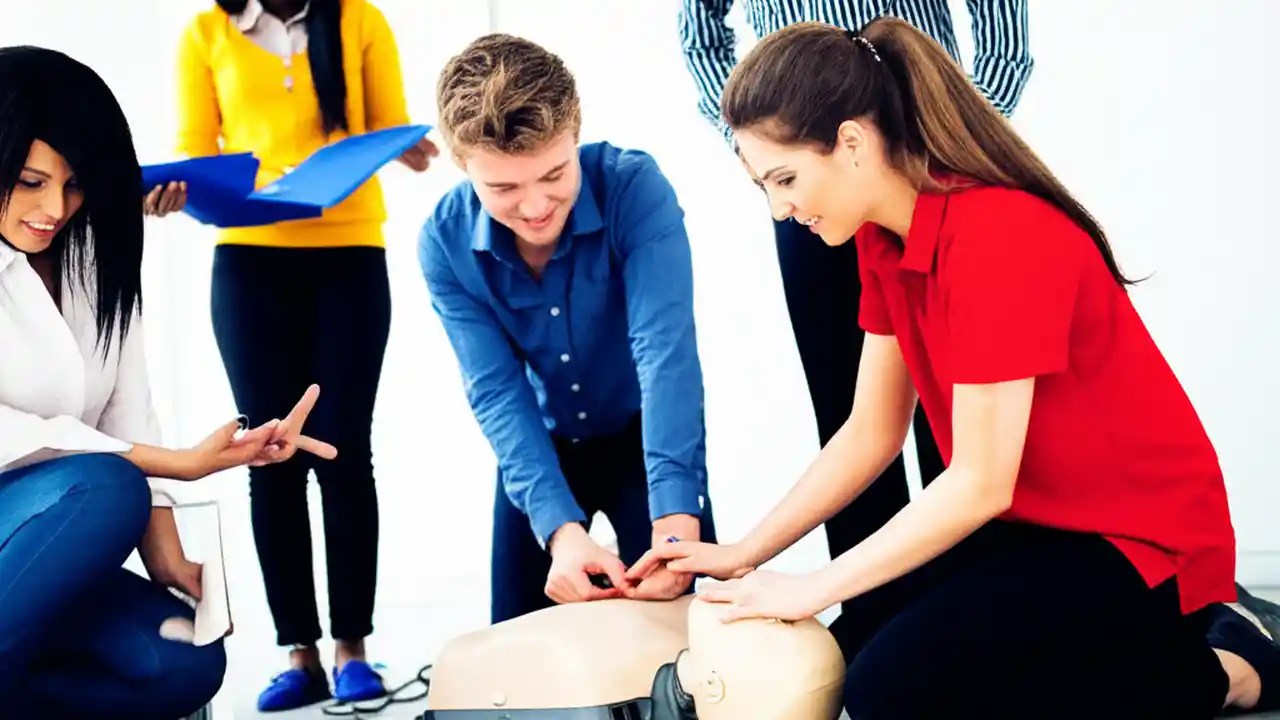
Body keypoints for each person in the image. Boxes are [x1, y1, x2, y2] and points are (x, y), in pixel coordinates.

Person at [629, 19, 1280, 718]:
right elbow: (872, 431)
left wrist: (809, 584)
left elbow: (978, 482)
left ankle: (1230, 667)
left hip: (1134, 539)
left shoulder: (998, 236)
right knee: (870, 654)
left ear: (850, 143)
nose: (781, 209)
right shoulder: (883, 242)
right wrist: (746, 551)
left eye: (784, 178)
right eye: (764, 187)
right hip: (1033, 526)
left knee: (894, 693)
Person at [0, 45, 334, 719]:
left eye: (74, 183)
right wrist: (176, 467)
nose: (55, 206)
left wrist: (169, 557)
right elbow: (30, 436)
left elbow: (128, 412)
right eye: (32, 181)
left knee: (184, 658)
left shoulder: (92, 252)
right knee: (106, 482)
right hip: (37, 519)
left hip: (43, 556)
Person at [678, 0, 1033, 609]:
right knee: (850, 401)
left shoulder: (988, 231)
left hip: (918, 164)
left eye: (777, 189)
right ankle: (874, 610)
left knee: (954, 419)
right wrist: (772, 154)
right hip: (810, 160)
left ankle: (973, 595)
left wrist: (940, 142)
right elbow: (868, 431)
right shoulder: (815, 206)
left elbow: (1004, 36)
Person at [150, 0, 437, 710]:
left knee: (342, 453)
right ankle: (298, 654)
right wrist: (171, 195)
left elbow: (392, 129)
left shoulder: (360, 20)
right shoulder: (206, 34)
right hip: (249, 267)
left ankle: (353, 653)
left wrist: (409, 147)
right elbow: (196, 151)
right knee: (268, 458)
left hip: (349, 257)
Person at [420, 33, 717, 626]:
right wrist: (559, 530)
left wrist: (678, 521)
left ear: (575, 134)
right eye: (502, 188)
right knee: (513, 651)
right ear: (462, 164)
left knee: (693, 635)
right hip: (542, 449)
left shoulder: (636, 190)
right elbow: (497, 391)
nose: (534, 207)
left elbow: (665, 355)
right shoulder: (443, 242)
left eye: (554, 174)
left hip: (645, 440)